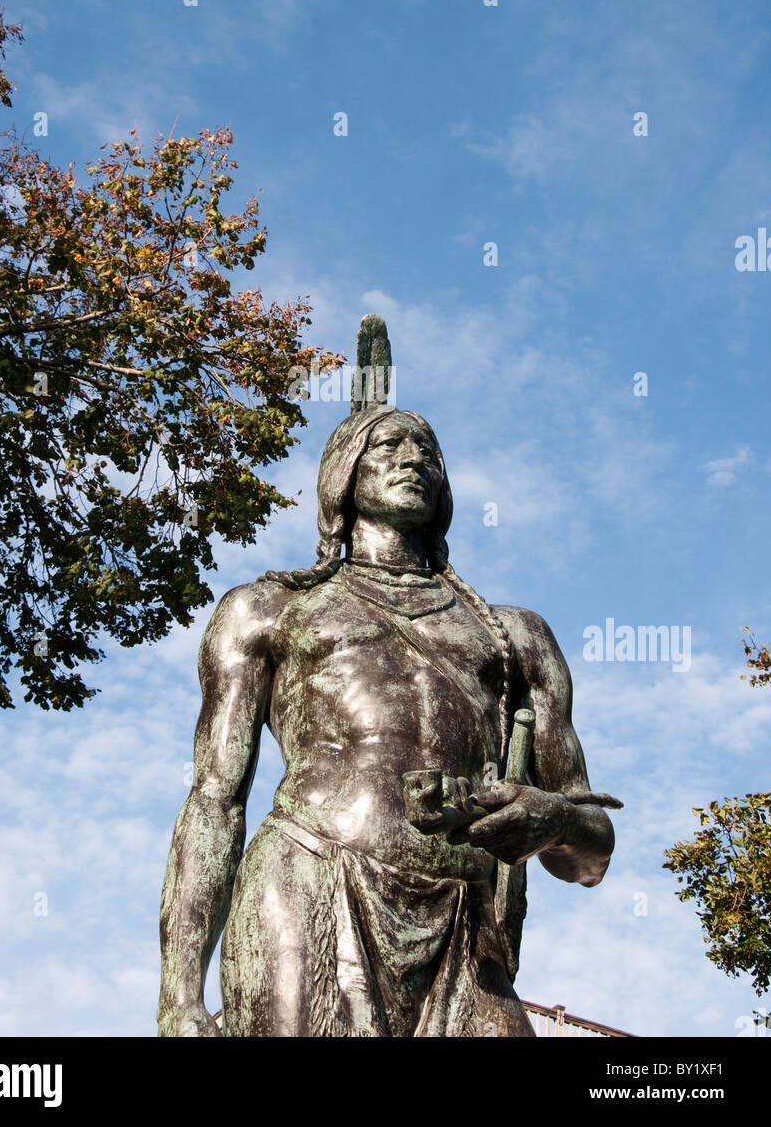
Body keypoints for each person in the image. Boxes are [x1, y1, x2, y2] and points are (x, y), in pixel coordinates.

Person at [157, 322, 615, 1037]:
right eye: (388, 446)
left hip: (466, 916)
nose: (413, 460)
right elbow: (214, 799)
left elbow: (590, 852)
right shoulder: (269, 610)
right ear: (343, 473)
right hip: (310, 876)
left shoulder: (515, 635)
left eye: (427, 451)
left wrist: (546, 816)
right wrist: (179, 996)